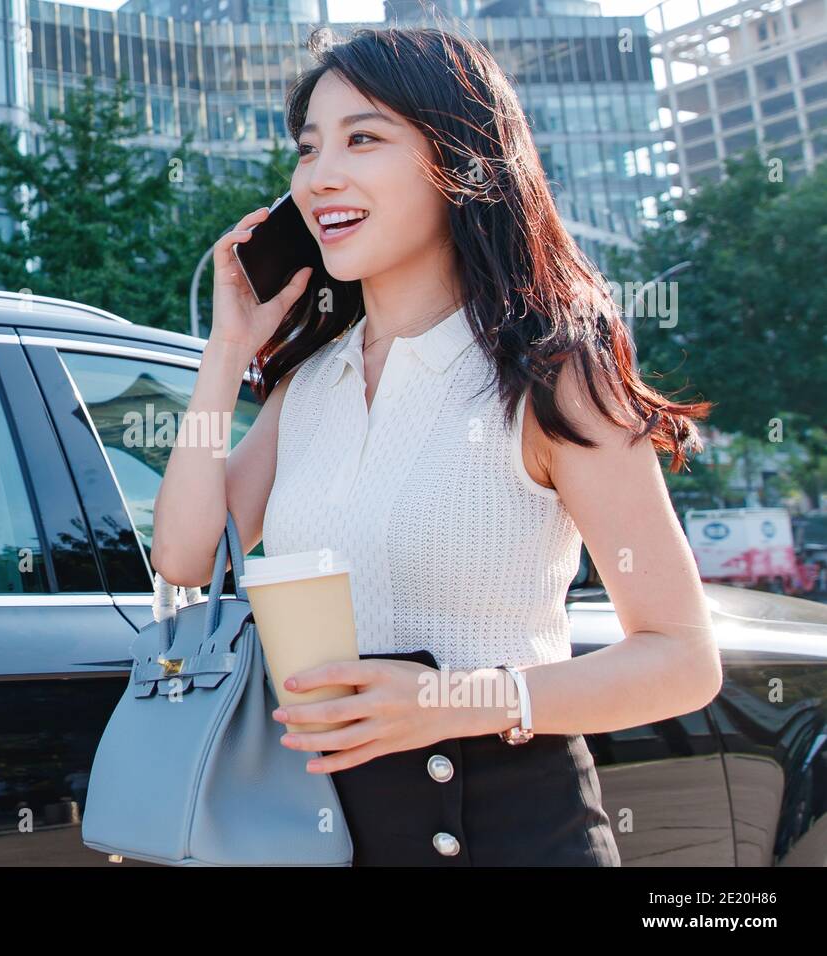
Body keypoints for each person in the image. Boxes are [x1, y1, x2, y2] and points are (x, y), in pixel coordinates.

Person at [150, 26, 722, 866]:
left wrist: (454, 700)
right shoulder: (309, 385)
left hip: (508, 831)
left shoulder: (554, 375)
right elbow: (185, 554)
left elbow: (681, 660)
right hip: (330, 832)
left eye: (364, 139)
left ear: (462, 163)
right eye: (308, 151)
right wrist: (227, 351)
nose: (320, 177)